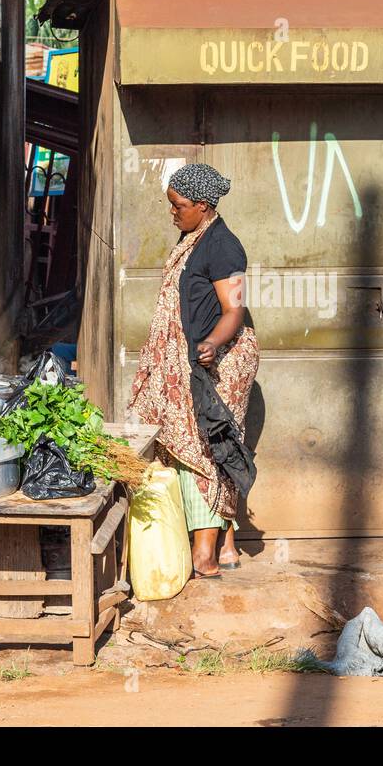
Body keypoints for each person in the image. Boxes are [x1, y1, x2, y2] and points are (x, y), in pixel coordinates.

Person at [129, 163, 259, 578]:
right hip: (195, 355)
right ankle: (226, 545)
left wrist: (211, 344)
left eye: (179, 206)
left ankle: (203, 553)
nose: (173, 212)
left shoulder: (223, 247)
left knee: (206, 449)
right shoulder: (194, 237)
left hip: (220, 361)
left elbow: (233, 309)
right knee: (196, 447)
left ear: (203, 206)